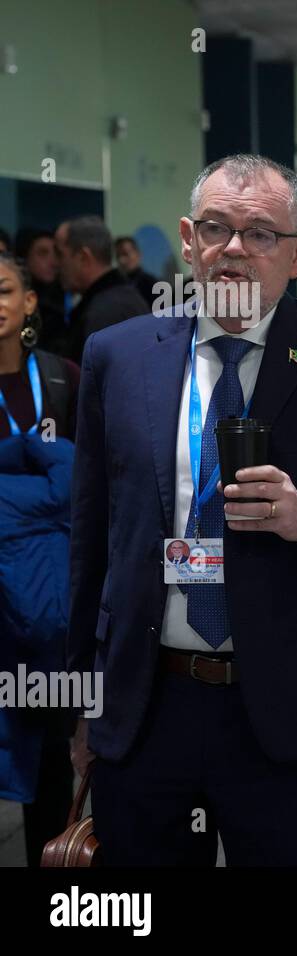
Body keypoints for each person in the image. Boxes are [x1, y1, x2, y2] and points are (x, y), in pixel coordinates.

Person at [67, 153, 297, 866]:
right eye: (215, 227)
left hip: (286, 701)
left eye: (261, 232)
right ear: (187, 240)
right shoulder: (118, 357)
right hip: (147, 704)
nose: (234, 248)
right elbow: (90, 536)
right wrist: (82, 697)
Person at [0, 252, 79, 866]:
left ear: (29, 302)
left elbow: (94, 479)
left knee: (52, 751)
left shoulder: (63, 378)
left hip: (47, 597)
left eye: (4, 290)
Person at [56, 216, 148, 359]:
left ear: (83, 257)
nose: (56, 264)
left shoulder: (105, 313)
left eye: (60, 255)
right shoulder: (123, 298)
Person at [15, 230, 70, 360]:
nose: (53, 262)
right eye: (43, 253)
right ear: (24, 258)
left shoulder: (66, 298)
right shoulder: (17, 304)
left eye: (56, 254)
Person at [114, 235, 161, 308]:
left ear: (138, 254)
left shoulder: (152, 284)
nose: (121, 260)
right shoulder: (116, 286)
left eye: (125, 254)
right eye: (118, 256)